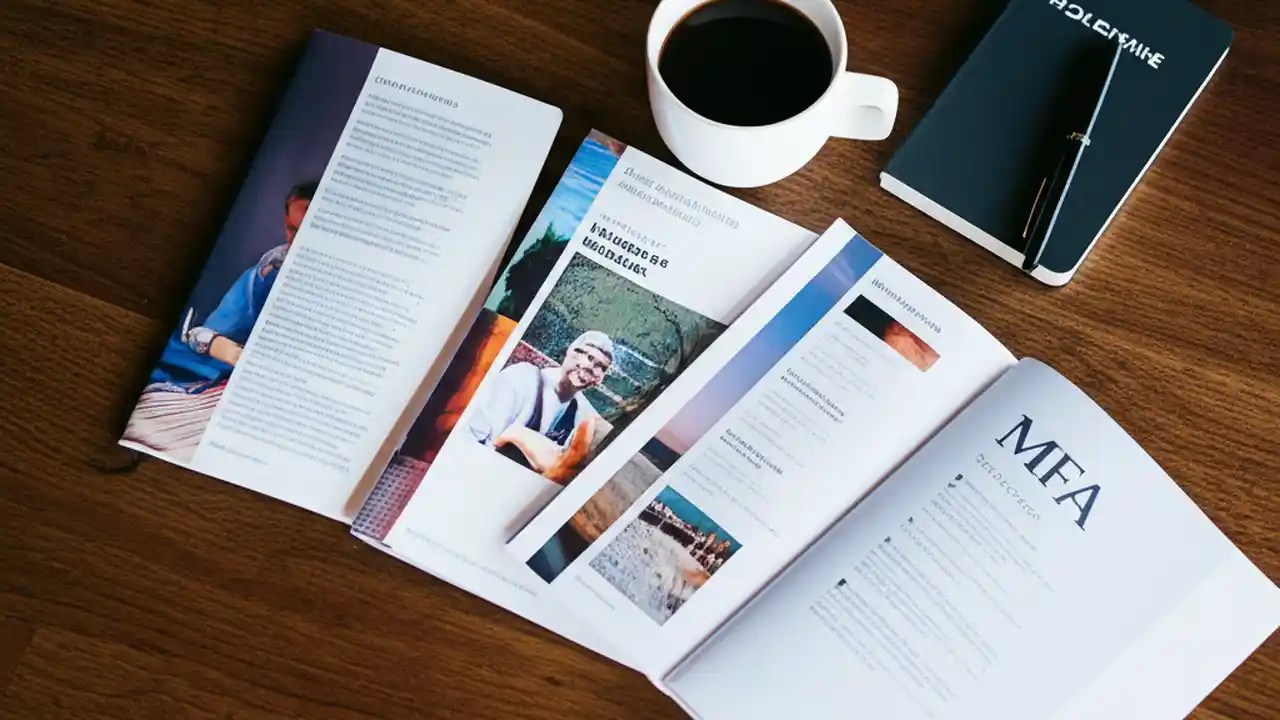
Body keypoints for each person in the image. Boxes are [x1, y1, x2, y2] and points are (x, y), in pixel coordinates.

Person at [122, 180, 318, 460]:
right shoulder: (266, 274)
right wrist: (229, 352)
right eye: (292, 230)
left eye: (308, 230)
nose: (296, 242)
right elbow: (208, 336)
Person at [470, 331, 614, 476]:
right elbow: (475, 435)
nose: (589, 368)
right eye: (588, 357)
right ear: (571, 351)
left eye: (600, 366)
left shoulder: (582, 414)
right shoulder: (520, 379)